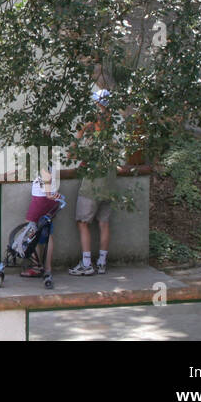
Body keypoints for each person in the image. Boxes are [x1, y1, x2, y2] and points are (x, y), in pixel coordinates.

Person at [69, 87, 115, 276]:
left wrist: (79, 135)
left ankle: (87, 263)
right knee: (104, 222)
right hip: (110, 179)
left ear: (97, 104)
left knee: (83, 221)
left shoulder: (92, 127)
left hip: (94, 180)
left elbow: (72, 153)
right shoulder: (111, 127)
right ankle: (102, 262)